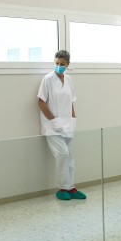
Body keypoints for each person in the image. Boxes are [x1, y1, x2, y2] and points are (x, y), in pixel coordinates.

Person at [37, 50, 86, 201]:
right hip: (52, 126)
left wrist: (73, 117)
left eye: (62, 64)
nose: (59, 66)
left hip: (68, 124)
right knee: (62, 154)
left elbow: (71, 100)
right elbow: (40, 101)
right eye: (57, 63)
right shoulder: (48, 79)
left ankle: (71, 188)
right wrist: (53, 121)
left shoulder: (69, 79)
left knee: (69, 156)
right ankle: (62, 188)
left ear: (68, 65)